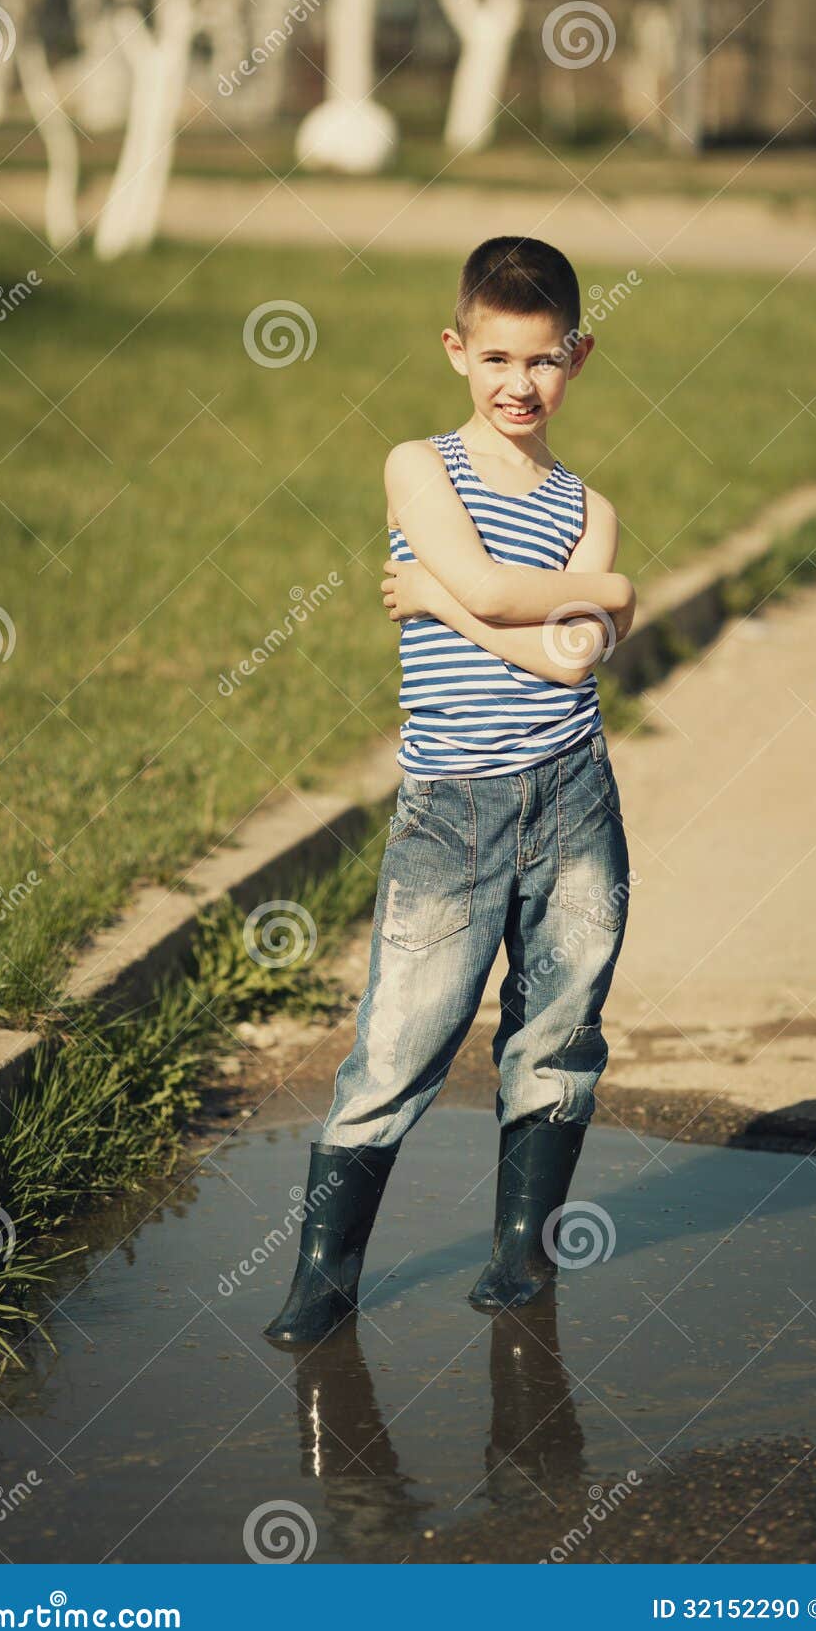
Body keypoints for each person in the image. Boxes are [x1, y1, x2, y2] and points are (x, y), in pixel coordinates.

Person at [264, 235, 636, 1346]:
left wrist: (440, 601)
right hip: (451, 810)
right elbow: (534, 604)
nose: (519, 384)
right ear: (456, 350)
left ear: (578, 355)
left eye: (544, 360)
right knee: (399, 1042)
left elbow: (574, 660)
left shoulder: (589, 506)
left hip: (575, 799)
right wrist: (578, 596)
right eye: (496, 358)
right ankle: (324, 1278)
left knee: (560, 1030)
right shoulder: (419, 467)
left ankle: (520, 1257)